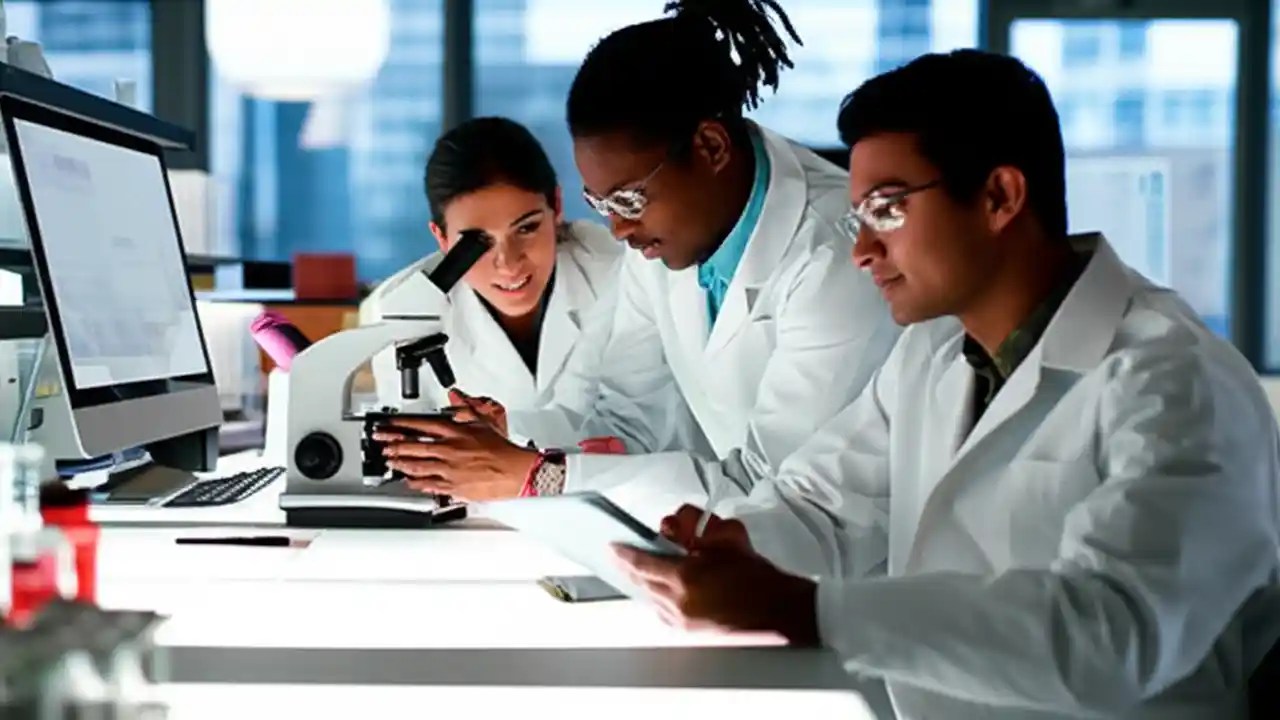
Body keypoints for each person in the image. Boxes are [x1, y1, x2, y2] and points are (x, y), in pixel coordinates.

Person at [615, 50, 1280, 718]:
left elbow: (1112, 634)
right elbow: (824, 504)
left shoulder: (1177, 381)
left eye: (888, 208)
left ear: (1000, 197)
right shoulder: (931, 354)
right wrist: (736, 542)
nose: (862, 251)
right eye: (859, 218)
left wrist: (806, 609)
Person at [374, 0, 898, 512]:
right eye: (599, 204)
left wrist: (540, 477)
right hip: (748, 549)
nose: (618, 228)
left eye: (628, 199)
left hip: (855, 575)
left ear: (711, 147)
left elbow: (773, 485)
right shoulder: (665, 242)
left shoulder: (835, 255)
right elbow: (630, 422)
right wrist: (514, 436)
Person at [360, 116, 621, 413]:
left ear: (557, 206)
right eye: (476, 243)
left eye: (527, 228)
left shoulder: (617, 273)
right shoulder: (402, 312)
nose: (508, 263)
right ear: (442, 238)